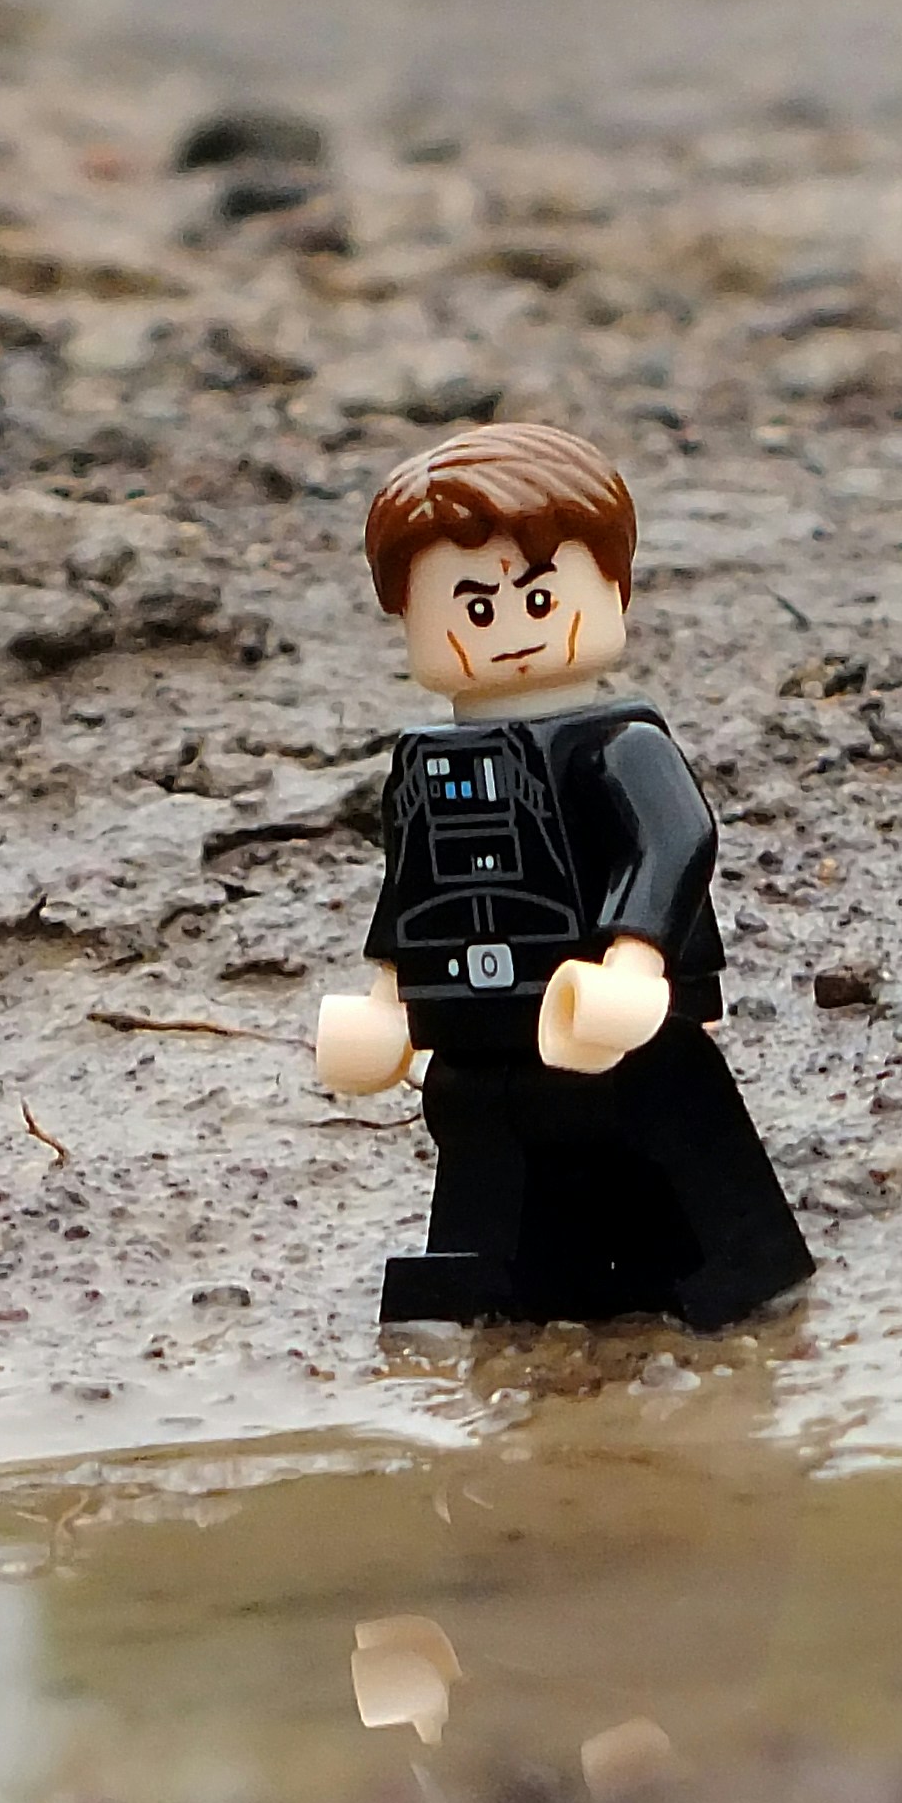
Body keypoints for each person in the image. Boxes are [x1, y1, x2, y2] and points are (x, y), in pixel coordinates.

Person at [317, 420, 814, 1331]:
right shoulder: (425, 762)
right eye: (473, 609)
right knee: (476, 1121)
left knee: (660, 1101)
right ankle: (485, 1289)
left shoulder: (619, 741)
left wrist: (633, 959)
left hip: (607, 1015)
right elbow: (413, 887)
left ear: (614, 588)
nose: (507, 631)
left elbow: (675, 840)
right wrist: (388, 999)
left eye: (539, 601)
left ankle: (736, 1269)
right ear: (407, 619)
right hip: (477, 1032)